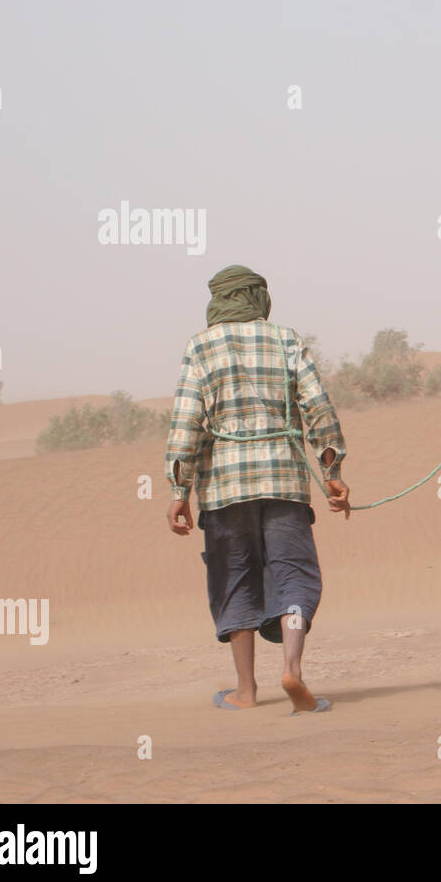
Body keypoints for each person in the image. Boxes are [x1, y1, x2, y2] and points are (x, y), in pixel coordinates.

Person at [165, 265, 351, 713]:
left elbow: (186, 422)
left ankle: (245, 692)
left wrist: (179, 490)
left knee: (233, 579)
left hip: (224, 488)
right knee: (292, 573)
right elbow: (318, 407)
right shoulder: (285, 338)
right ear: (257, 298)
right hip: (284, 481)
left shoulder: (199, 346)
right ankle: (293, 670)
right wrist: (332, 472)